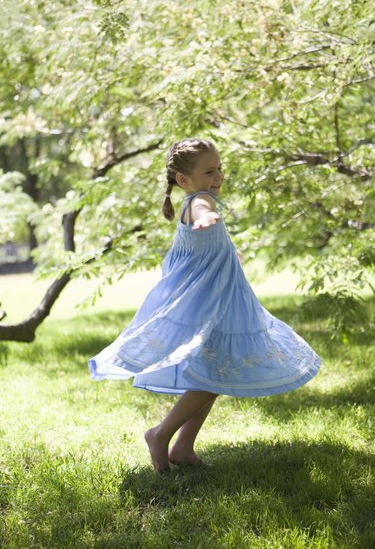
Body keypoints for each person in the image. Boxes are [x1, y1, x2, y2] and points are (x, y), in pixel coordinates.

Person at [88, 137, 322, 472]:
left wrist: (229, 249)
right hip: (210, 303)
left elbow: (209, 239)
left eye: (219, 169)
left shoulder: (204, 201)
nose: (218, 177)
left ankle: (182, 446)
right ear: (184, 181)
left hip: (221, 297)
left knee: (215, 373)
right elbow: (202, 211)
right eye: (209, 171)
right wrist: (204, 219)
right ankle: (160, 434)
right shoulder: (199, 203)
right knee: (215, 374)